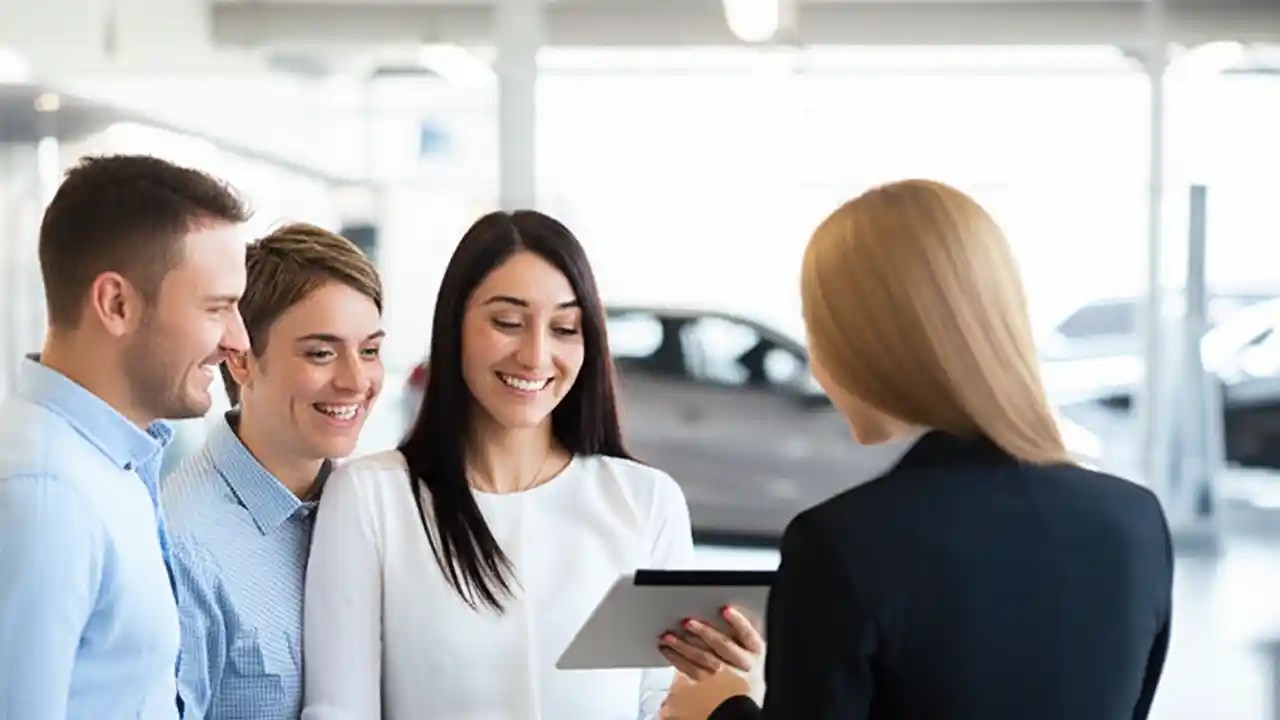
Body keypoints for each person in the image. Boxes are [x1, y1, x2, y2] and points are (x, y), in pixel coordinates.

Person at [658, 179, 1174, 720]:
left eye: (819, 330)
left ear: (866, 339)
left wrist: (719, 708)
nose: (816, 364)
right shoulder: (1136, 522)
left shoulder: (842, 543)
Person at [301, 210, 702, 719]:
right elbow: (338, 711)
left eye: (564, 327)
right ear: (455, 326)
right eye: (508, 323)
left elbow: (658, 703)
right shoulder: (372, 497)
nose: (535, 356)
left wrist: (735, 682)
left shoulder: (646, 502)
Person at [0, 154, 251, 719]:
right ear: (117, 304)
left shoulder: (110, 466)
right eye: (218, 309)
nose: (237, 339)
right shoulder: (46, 497)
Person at [162, 223, 385, 719]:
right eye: (321, 353)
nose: (355, 380)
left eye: (369, 350)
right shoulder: (184, 550)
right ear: (240, 359)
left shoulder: (373, 509)